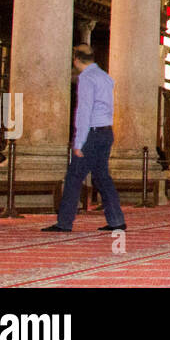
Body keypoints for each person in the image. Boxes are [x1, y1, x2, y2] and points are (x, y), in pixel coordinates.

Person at [42, 45, 125, 233]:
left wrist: (78, 142)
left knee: (74, 177)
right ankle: (116, 220)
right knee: (102, 177)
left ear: (76, 59)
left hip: (92, 134)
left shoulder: (87, 78)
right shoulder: (105, 77)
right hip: (106, 132)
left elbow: (84, 111)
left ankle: (64, 223)